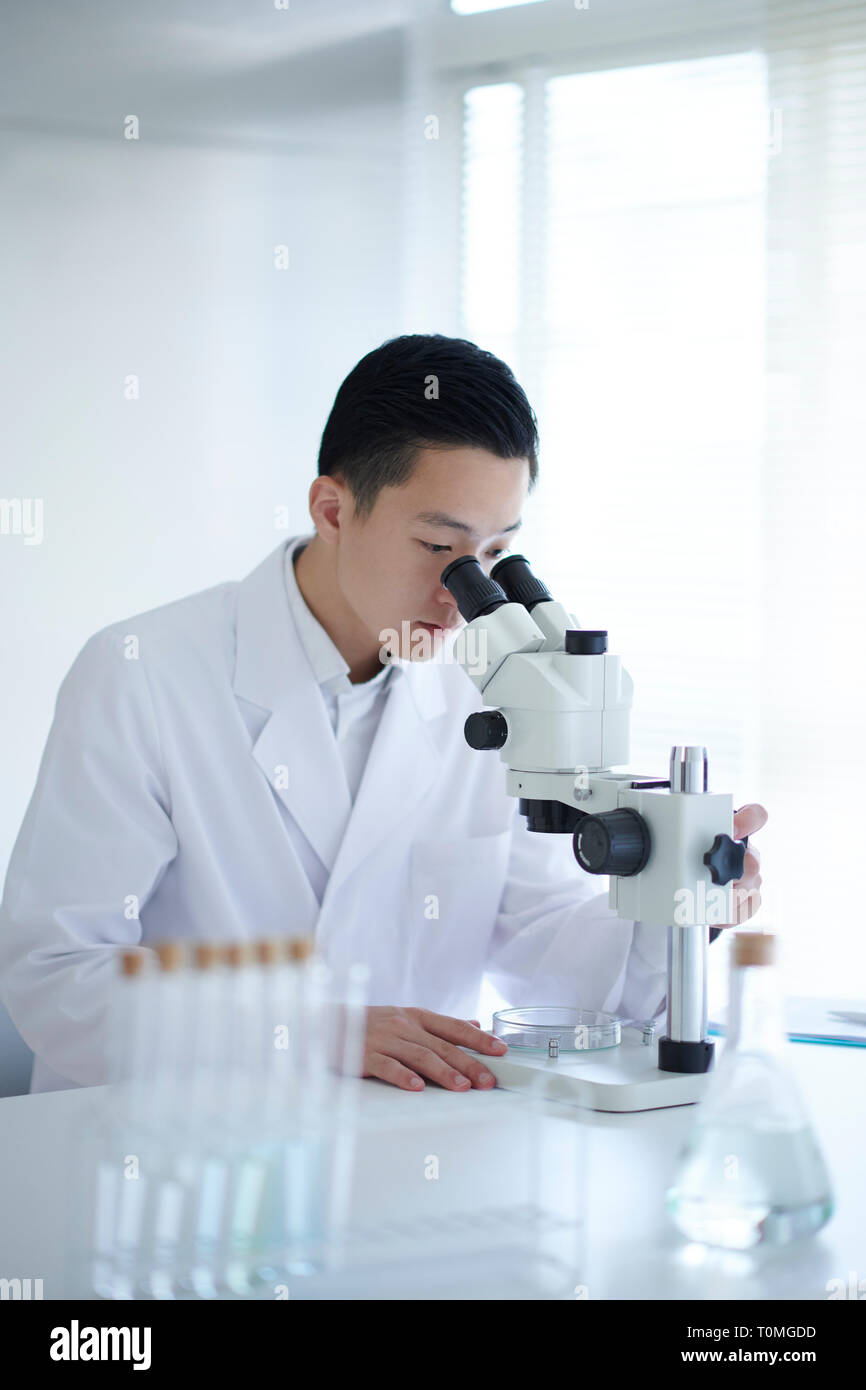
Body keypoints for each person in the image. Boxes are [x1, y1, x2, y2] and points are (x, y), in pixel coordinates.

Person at [0, 334, 766, 1095]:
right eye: (440, 545)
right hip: (173, 1161)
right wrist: (311, 1033)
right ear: (332, 509)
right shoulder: (144, 674)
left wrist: (675, 911)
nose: (461, 593)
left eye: (496, 555)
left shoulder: (491, 688)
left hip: (403, 1154)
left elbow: (545, 947)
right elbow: (55, 981)